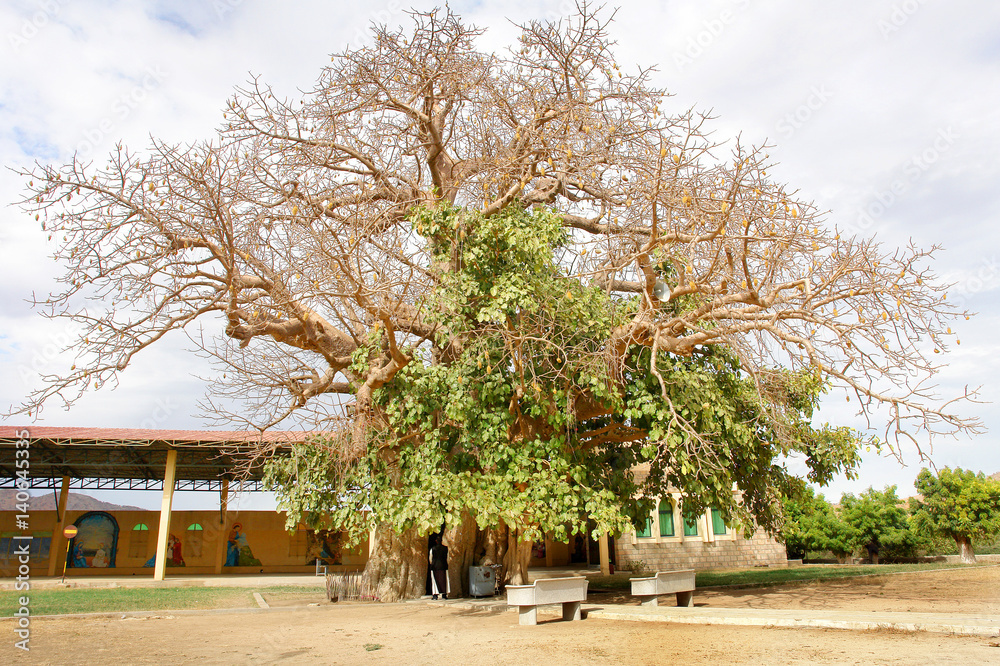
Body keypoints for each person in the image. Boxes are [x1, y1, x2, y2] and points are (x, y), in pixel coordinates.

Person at [429, 535, 449, 600]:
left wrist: (432, 564)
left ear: (436, 541)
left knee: (435, 581)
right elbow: (448, 558)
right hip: (443, 566)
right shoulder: (445, 548)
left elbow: (430, 558)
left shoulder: (433, 549)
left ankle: (435, 595)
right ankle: (444, 595)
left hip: (435, 567)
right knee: (444, 581)